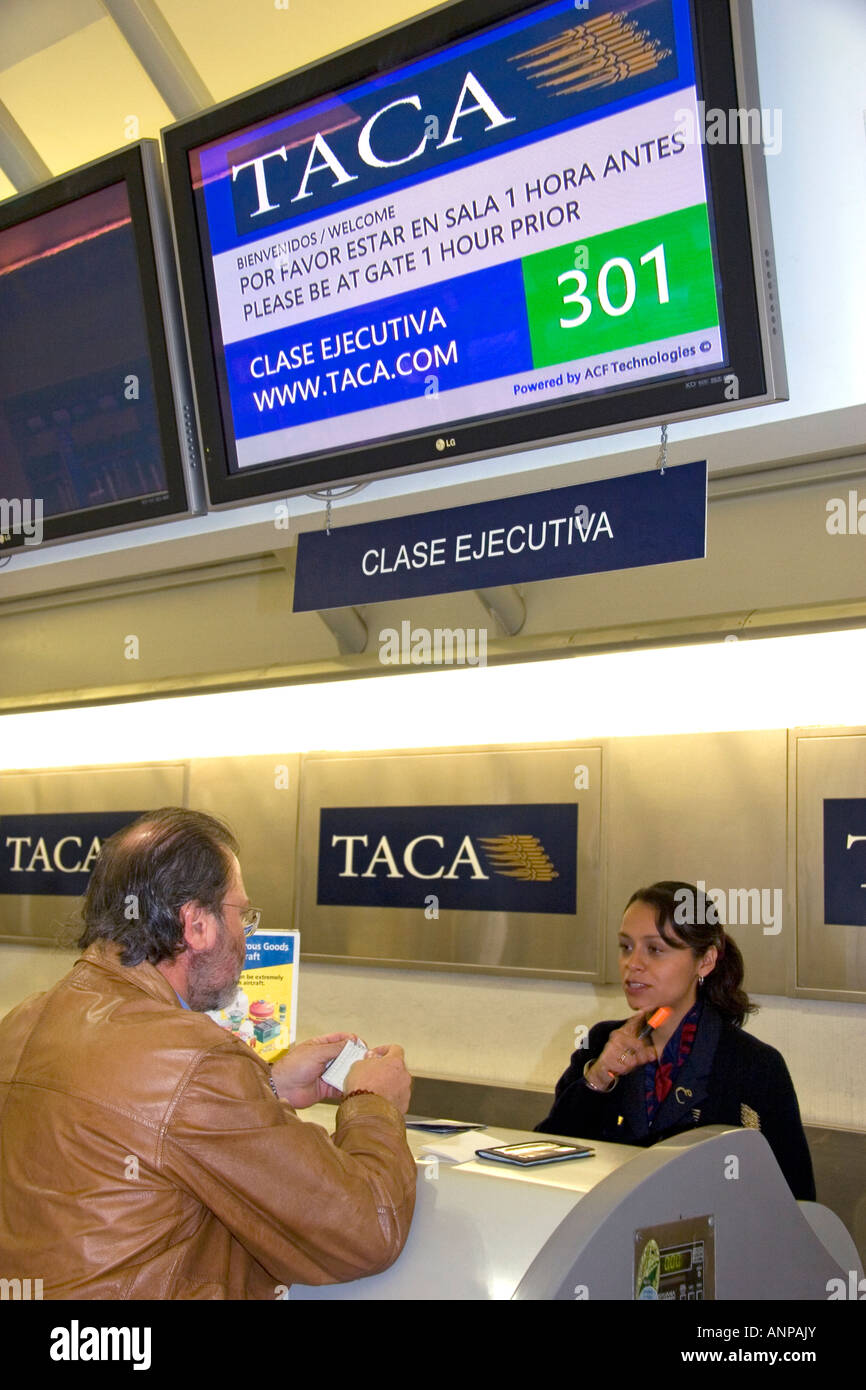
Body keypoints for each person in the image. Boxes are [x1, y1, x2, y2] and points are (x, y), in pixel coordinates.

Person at [0, 808, 417, 1299]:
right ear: (196, 925)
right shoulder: (193, 1057)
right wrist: (373, 1101)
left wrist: (267, 1084)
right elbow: (366, 1230)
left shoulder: (22, 1020)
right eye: (243, 913)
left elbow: (140, 1123)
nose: (248, 936)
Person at [536, 881, 815, 1201]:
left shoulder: (751, 1064)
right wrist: (598, 1078)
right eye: (626, 947)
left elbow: (797, 1202)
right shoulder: (601, 1042)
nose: (633, 963)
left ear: (705, 961)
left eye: (655, 949)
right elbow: (547, 1161)